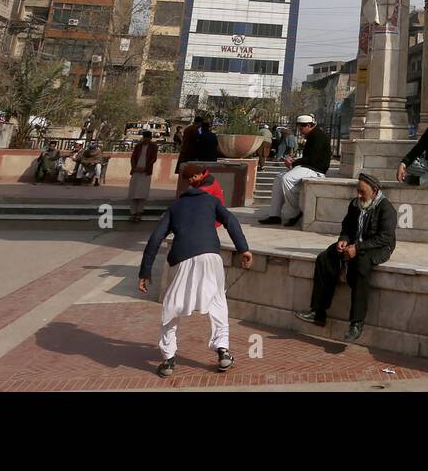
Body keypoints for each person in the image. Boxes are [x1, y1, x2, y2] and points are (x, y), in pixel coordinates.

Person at [138, 177, 253, 376]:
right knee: (218, 303)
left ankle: (168, 360)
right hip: (211, 256)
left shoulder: (175, 207)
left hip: (183, 258)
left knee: (172, 307)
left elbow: (156, 237)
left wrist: (145, 271)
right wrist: (243, 249)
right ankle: (223, 352)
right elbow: (231, 221)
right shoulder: (211, 201)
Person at [296, 172, 396, 341]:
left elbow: (384, 238)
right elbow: (347, 227)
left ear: (374, 190)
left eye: (362, 192)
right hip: (356, 244)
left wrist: (357, 248)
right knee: (325, 258)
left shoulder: (386, 208)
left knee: (361, 266)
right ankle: (318, 312)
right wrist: (343, 240)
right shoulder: (355, 204)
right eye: (357, 191)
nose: (358, 195)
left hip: (378, 247)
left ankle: (356, 323)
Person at [258, 114, 330, 226]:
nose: (300, 131)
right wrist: (294, 162)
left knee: (287, 178)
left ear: (309, 125)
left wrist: (293, 163)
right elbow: (310, 157)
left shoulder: (318, 136)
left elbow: (313, 158)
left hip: (316, 169)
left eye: (301, 128)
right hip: (308, 166)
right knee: (278, 179)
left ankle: (295, 213)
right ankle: (274, 216)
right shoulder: (313, 135)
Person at [127, 130, 158, 222]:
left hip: (146, 172)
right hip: (136, 172)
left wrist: (145, 168)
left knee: (142, 192)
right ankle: (133, 212)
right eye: (145, 138)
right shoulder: (138, 146)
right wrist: (134, 167)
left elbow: (153, 159)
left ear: (150, 138)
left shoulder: (154, 147)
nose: (146, 140)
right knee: (134, 191)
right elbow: (133, 158)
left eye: (148, 138)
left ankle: (139, 213)